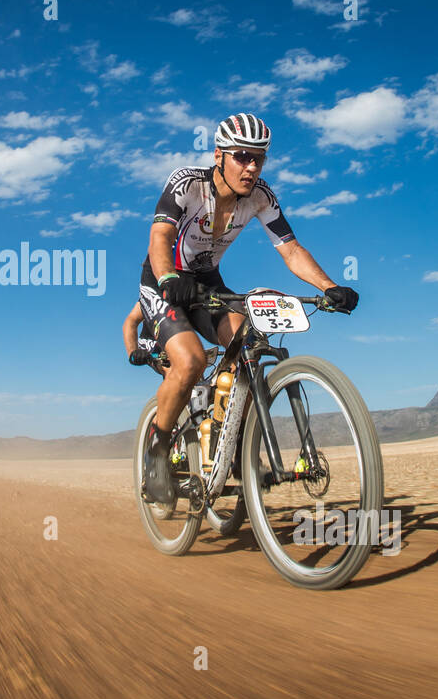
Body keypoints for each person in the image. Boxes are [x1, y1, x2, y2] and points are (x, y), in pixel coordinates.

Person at [137, 112, 358, 505]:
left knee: (246, 347)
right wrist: (169, 277)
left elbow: (289, 248)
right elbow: (161, 234)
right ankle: (157, 451)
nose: (252, 166)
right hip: (164, 281)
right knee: (188, 363)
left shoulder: (261, 196)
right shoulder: (187, 183)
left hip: (208, 282)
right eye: (242, 156)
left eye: (259, 158)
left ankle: (232, 442)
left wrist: (329, 286)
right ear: (219, 155)